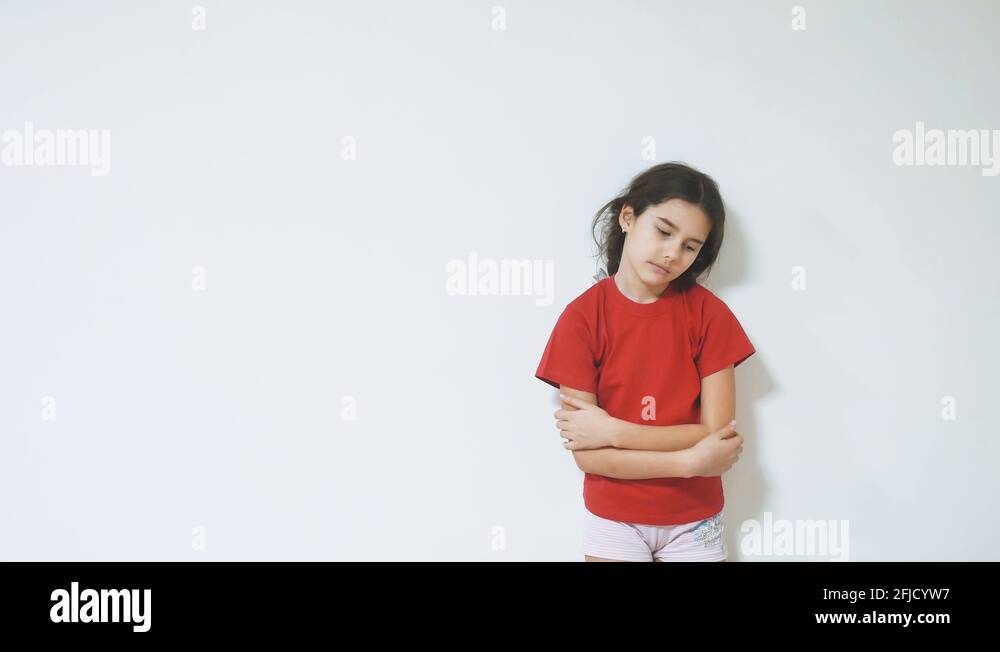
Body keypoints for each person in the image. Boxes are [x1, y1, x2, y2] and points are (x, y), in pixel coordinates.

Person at [535, 162, 756, 562]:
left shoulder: (709, 315)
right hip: (614, 515)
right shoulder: (581, 318)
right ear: (628, 217)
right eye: (664, 231)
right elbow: (588, 454)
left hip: (696, 517)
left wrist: (615, 430)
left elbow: (717, 433)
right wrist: (689, 461)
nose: (672, 253)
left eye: (690, 246)